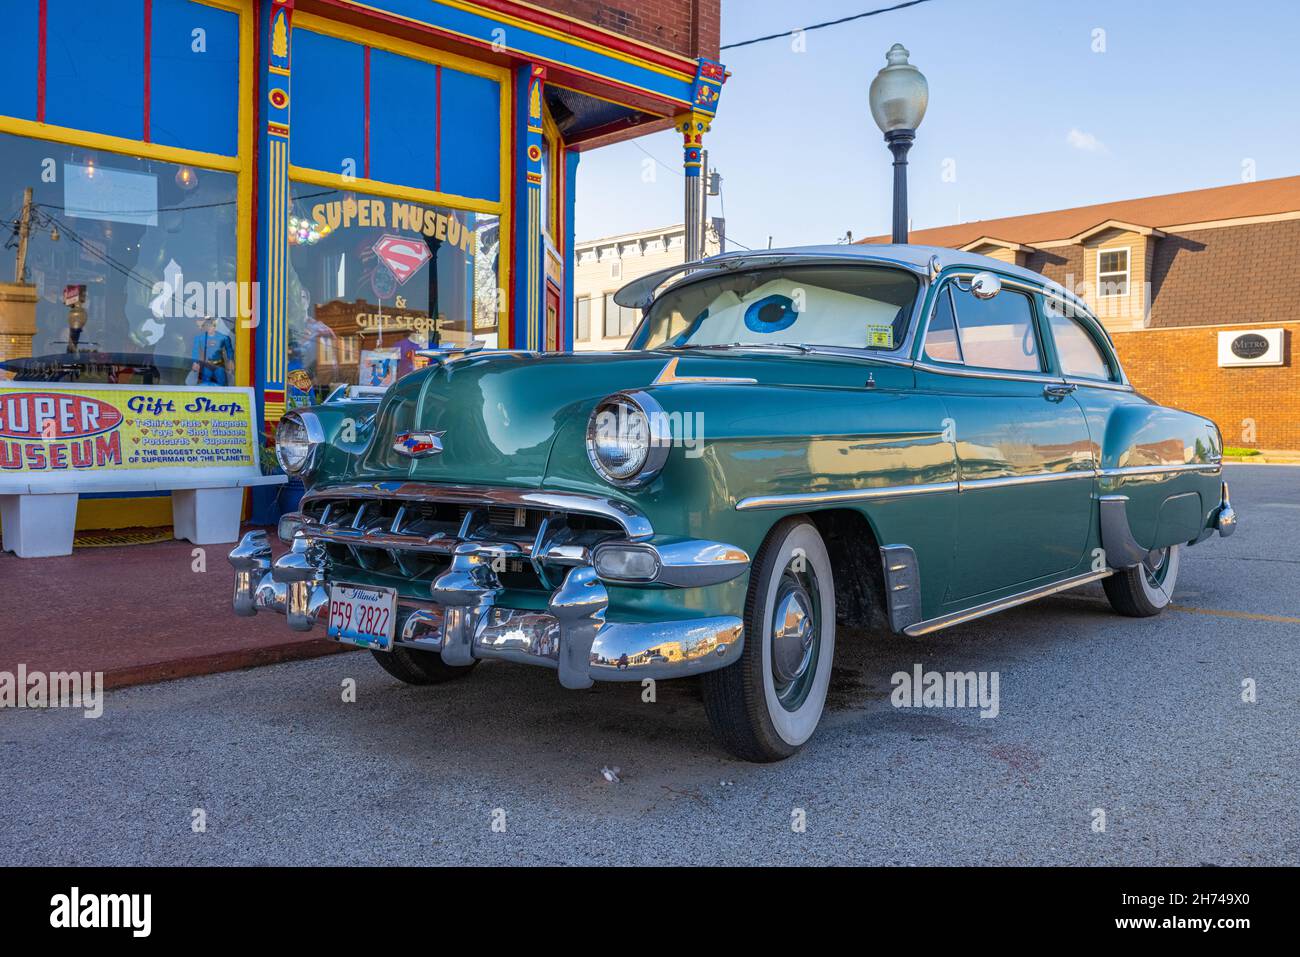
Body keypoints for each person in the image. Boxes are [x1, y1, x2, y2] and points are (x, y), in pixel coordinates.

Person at [190, 317, 234, 385]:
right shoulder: (200, 338)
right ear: (205, 326)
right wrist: (195, 362)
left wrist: (230, 360)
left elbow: (229, 349)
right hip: (207, 365)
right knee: (205, 384)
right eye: (207, 325)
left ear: (215, 326)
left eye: (211, 325)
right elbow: (195, 350)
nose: (209, 327)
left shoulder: (223, 337)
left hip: (219, 366)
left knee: (222, 384)